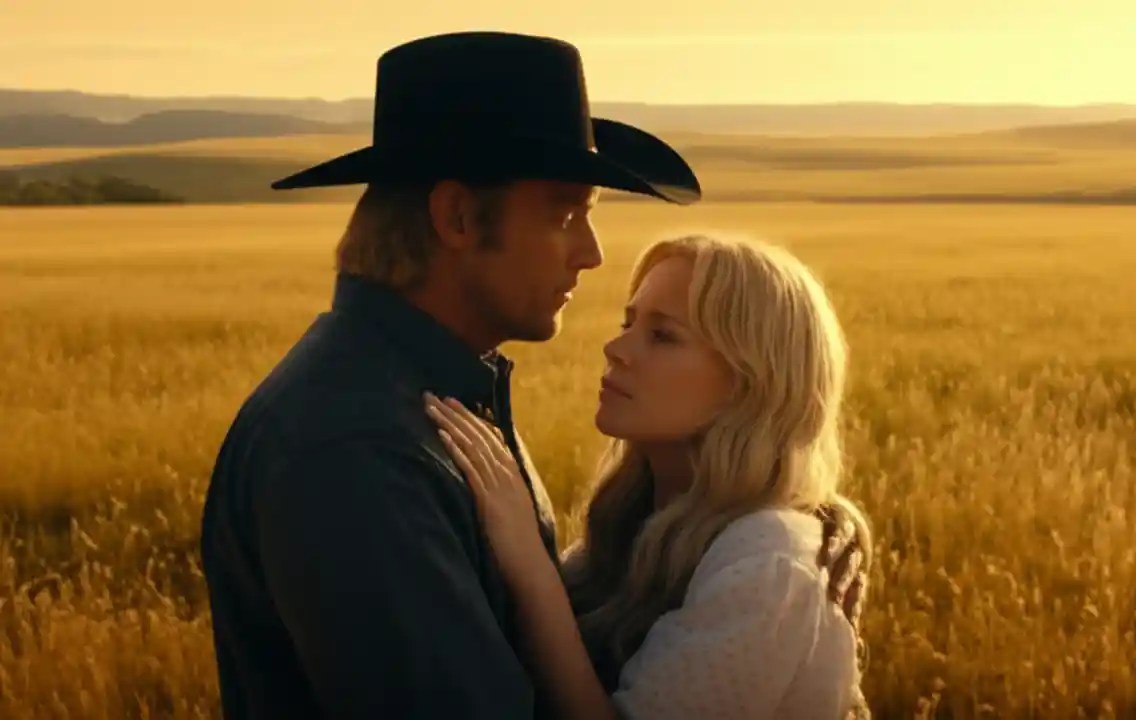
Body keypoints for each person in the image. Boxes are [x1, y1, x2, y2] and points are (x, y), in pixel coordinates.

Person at [200, 31, 865, 720]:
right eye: (566, 214)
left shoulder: (440, 405)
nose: (592, 253)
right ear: (458, 217)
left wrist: (797, 534)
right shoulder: (358, 450)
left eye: (664, 335)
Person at [427, 234, 872, 719]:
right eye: (628, 322)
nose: (616, 348)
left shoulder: (769, 562)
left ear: (750, 383)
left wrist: (530, 567)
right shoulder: (643, 525)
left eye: (662, 336)